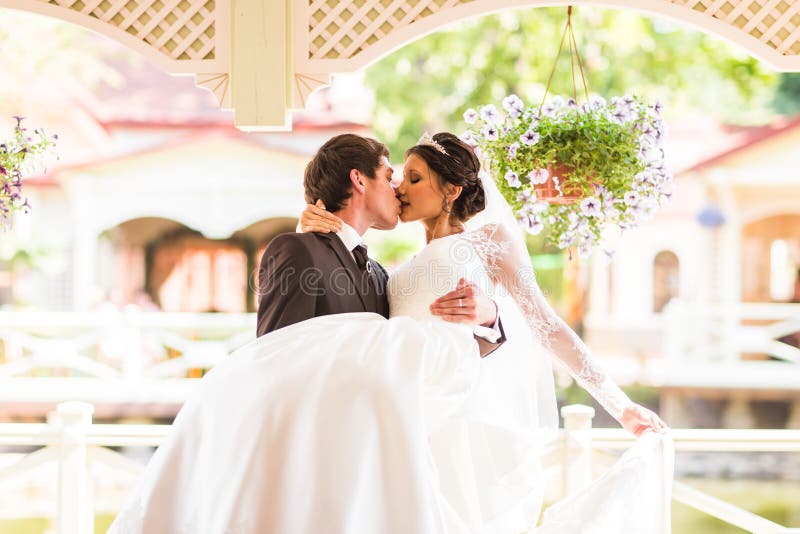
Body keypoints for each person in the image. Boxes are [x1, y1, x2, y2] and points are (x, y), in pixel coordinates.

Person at [109, 132, 671, 534]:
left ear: (451, 191)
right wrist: (309, 234)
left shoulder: (470, 245)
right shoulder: (381, 269)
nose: (399, 186)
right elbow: (286, 355)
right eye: (393, 175)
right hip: (386, 434)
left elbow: (543, 326)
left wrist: (615, 403)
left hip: (453, 419)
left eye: (413, 178)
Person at [256, 133, 506, 357]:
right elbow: (274, 358)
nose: (398, 190)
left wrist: (490, 318)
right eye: (389, 178)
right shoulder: (298, 250)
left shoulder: (379, 276)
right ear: (359, 180)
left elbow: (442, 342)